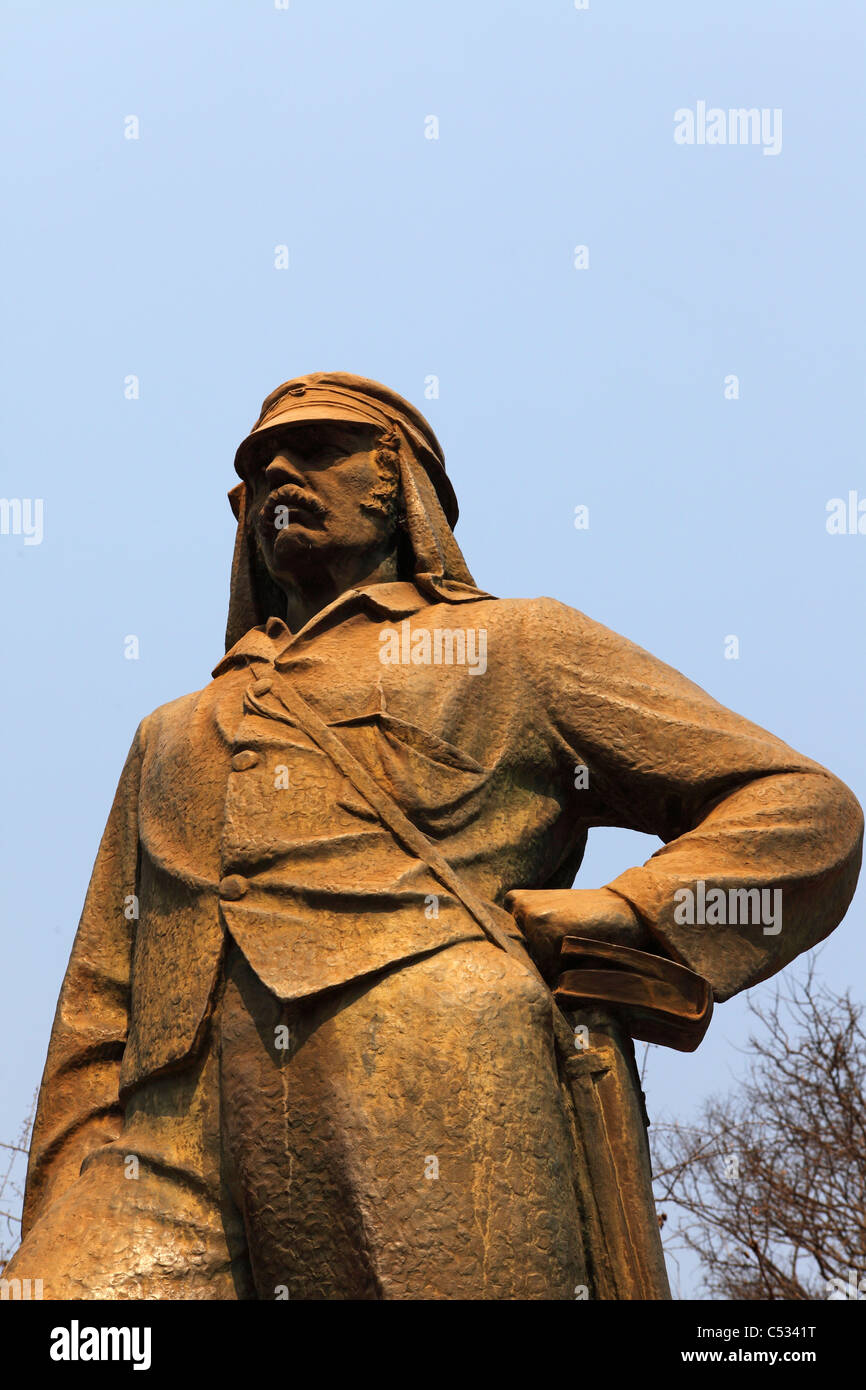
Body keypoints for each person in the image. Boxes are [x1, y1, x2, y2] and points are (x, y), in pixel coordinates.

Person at [7, 372, 862, 1299]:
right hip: (169, 1140)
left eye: (320, 448)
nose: (283, 470)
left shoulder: (516, 646)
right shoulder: (171, 732)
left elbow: (802, 806)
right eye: (261, 467)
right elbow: (98, 999)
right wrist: (66, 1189)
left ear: (396, 483)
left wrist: (631, 910)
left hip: (434, 1079)